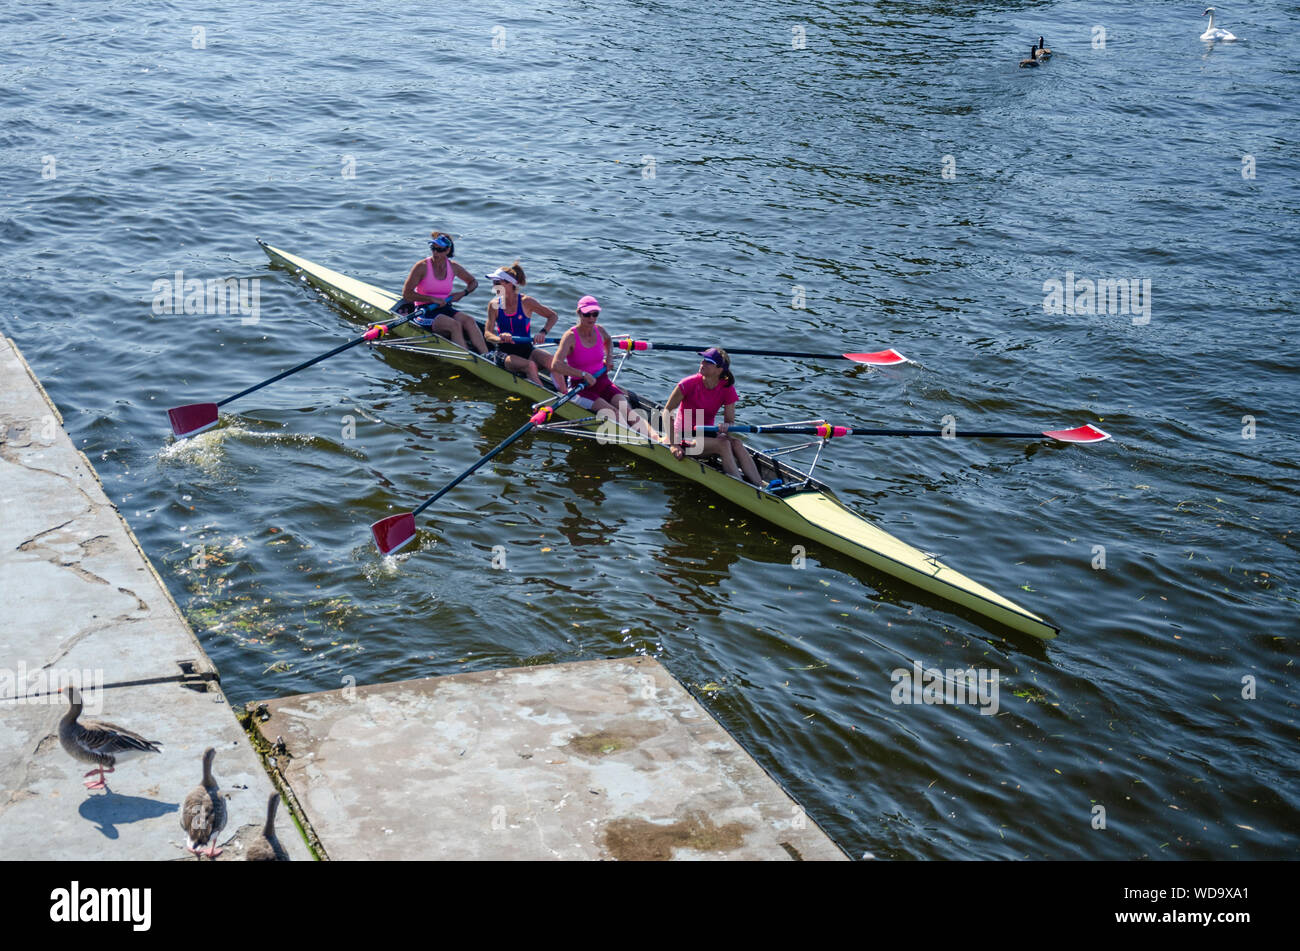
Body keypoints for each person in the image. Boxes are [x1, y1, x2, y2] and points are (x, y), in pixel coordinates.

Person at [550, 296, 655, 439]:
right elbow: (555, 365)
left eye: (595, 314)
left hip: (602, 381)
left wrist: (609, 356)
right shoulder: (570, 337)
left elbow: (609, 341)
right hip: (581, 388)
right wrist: (582, 374)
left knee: (629, 411)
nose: (591, 318)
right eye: (587, 314)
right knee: (614, 413)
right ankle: (643, 443)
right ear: (579, 313)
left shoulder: (599, 330)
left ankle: (657, 440)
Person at [663, 348, 762, 485]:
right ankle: (740, 486)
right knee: (723, 443)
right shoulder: (688, 384)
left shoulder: (727, 388)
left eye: (708, 362)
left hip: (706, 434)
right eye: (703, 359)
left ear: (719, 370)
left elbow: (730, 422)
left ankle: (760, 485)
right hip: (684, 436)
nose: (702, 363)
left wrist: (726, 427)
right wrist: (673, 445)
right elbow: (667, 411)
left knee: (737, 443)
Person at [400, 231, 488, 354]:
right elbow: (406, 294)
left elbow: (473, 282)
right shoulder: (422, 267)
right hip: (424, 311)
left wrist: (463, 293)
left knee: (469, 320)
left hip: (444, 307)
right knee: (454, 325)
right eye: (433, 248)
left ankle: (487, 355)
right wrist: (432, 299)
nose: (435, 253)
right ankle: (467, 357)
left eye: (439, 250)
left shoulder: (453, 267)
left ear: (447, 251)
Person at [483, 261, 557, 386]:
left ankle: (566, 393)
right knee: (530, 366)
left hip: (526, 349)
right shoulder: (494, 304)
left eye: (497, 283)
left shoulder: (526, 302)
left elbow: (553, 316)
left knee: (553, 361)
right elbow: (487, 334)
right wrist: (499, 338)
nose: (494, 286)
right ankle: (546, 396)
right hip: (505, 353)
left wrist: (543, 332)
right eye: (493, 283)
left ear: (510, 284)